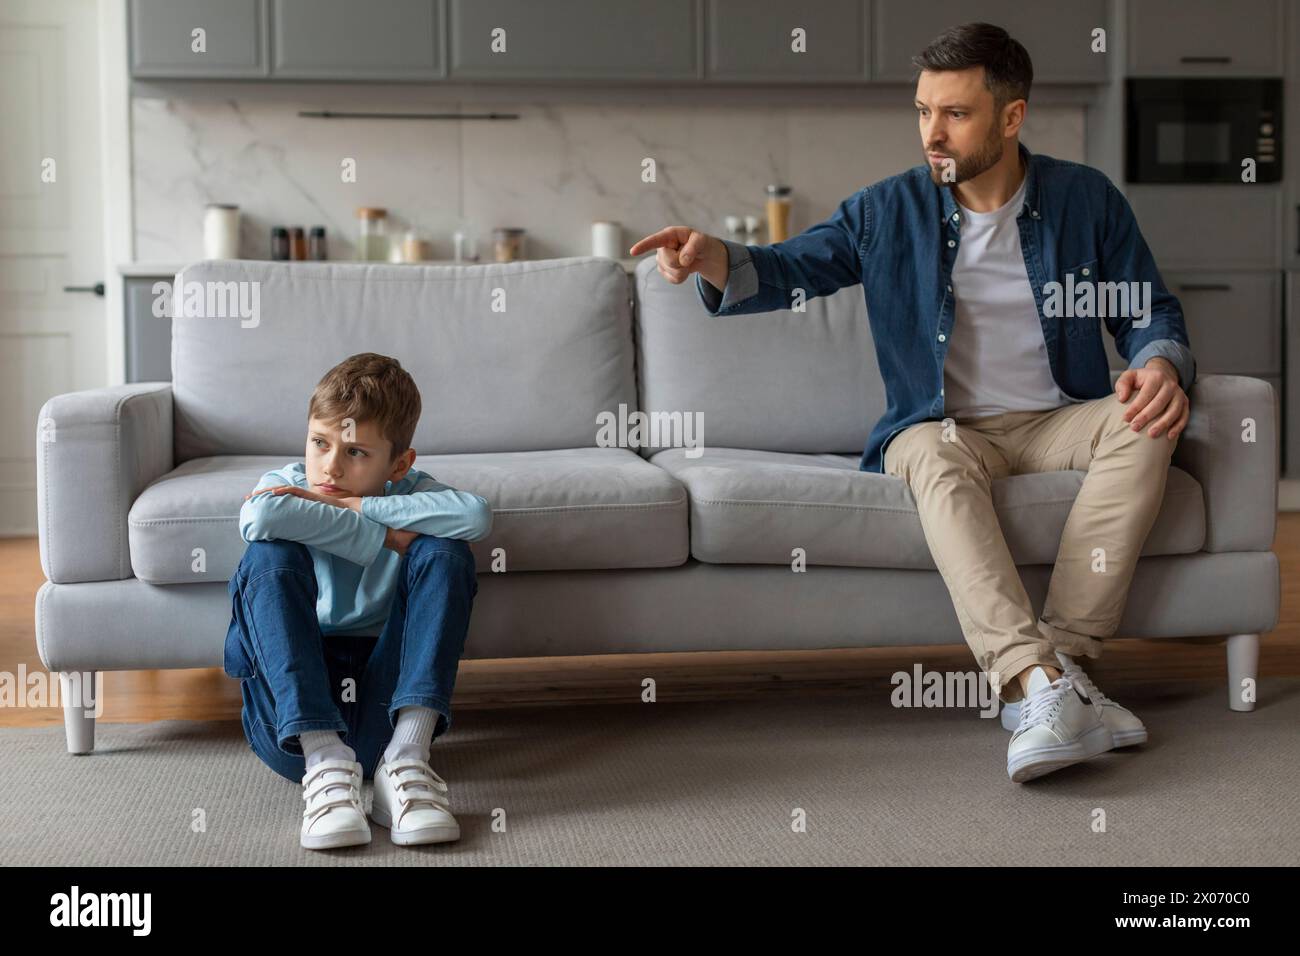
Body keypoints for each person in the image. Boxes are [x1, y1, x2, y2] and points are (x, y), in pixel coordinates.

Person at [629, 22, 1194, 783]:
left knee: (1146, 419)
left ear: (1012, 116)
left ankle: (1060, 670)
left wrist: (1157, 363)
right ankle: (1036, 680)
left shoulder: (1084, 199)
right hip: (942, 427)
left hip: (1060, 419)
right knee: (932, 454)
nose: (933, 132)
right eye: (924, 111)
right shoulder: (885, 210)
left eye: (955, 113)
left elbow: (1146, 309)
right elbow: (791, 268)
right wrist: (717, 258)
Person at [223, 352, 492, 847]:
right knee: (267, 554)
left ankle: (407, 760)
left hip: (386, 715)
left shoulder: (412, 491)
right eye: (319, 443)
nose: (330, 467)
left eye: (356, 452)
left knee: (445, 551)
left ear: (399, 464)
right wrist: (383, 537)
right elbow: (260, 518)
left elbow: (474, 516)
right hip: (292, 728)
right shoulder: (287, 485)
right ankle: (325, 763)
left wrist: (353, 505)